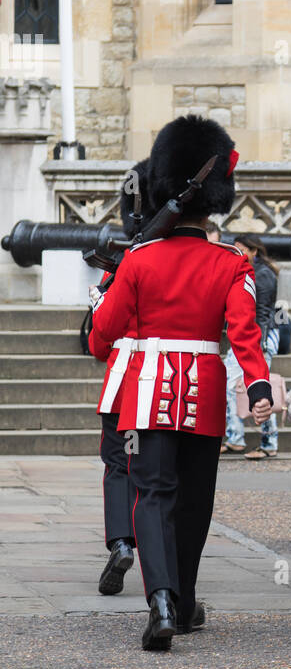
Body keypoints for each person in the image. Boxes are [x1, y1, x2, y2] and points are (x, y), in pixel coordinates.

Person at [89, 116, 273, 651]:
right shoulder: (231, 263)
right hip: (205, 397)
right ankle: (184, 600)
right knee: (194, 502)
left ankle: (163, 601)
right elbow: (245, 333)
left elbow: (102, 339)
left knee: (152, 497)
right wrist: (258, 389)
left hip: (146, 396)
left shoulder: (139, 260)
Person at [91, 159, 154, 597]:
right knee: (160, 474)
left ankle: (120, 542)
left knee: (118, 467)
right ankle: (166, 565)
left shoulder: (122, 265)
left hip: (122, 383)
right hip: (172, 384)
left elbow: (98, 344)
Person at [223, 233, 280, 459]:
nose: (237, 252)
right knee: (230, 384)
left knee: (263, 388)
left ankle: (269, 442)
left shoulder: (263, 274)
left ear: (254, 250)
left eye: (241, 248)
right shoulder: (246, 271)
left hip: (259, 337)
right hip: (249, 335)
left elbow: (263, 312)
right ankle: (235, 438)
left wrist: (261, 343)